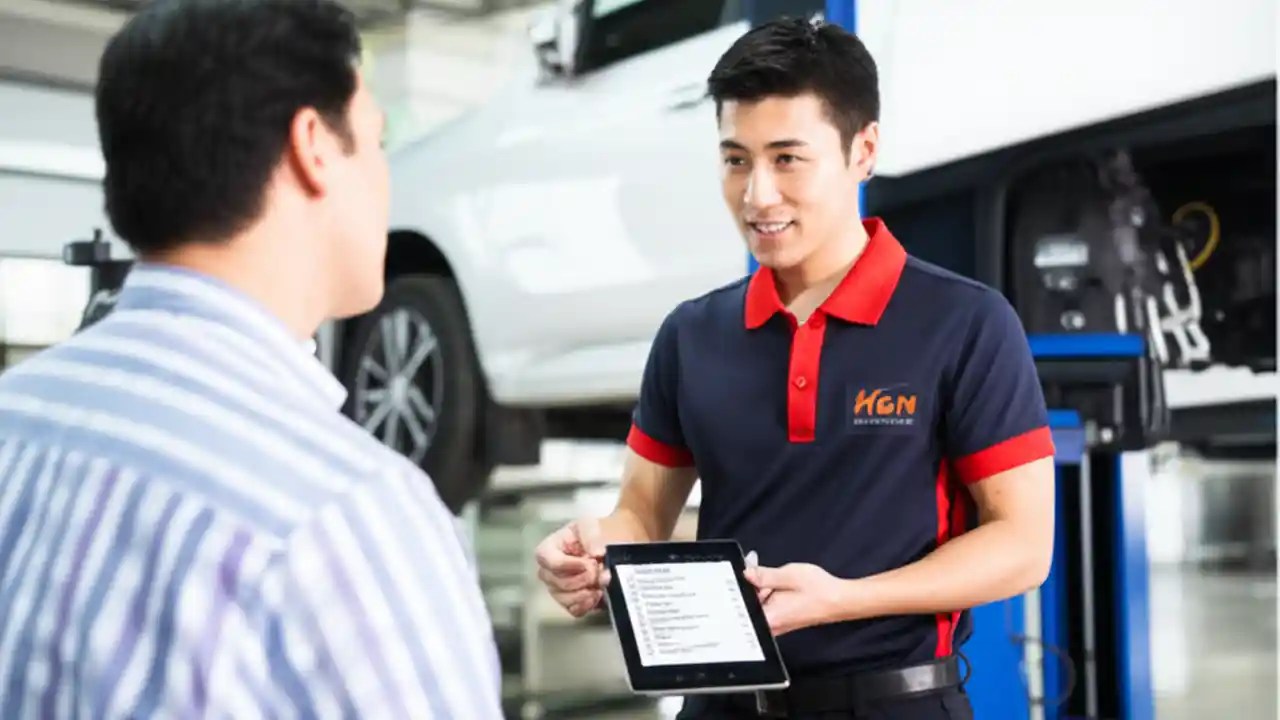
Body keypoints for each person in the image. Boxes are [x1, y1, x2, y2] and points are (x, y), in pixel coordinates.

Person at [534, 16, 1055, 720]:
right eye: (736, 160)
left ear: (862, 150)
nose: (757, 196)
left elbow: (1024, 545)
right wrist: (591, 550)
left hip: (896, 704)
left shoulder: (964, 323)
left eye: (787, 158)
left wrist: (844, 598)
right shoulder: (692, 335)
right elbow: (640, 515)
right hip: (718, 706)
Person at [0, 0, 502, 717]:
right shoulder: (345, 515)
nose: (388, 179)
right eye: (378, 141)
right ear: (313, 148)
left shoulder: (14, 417)